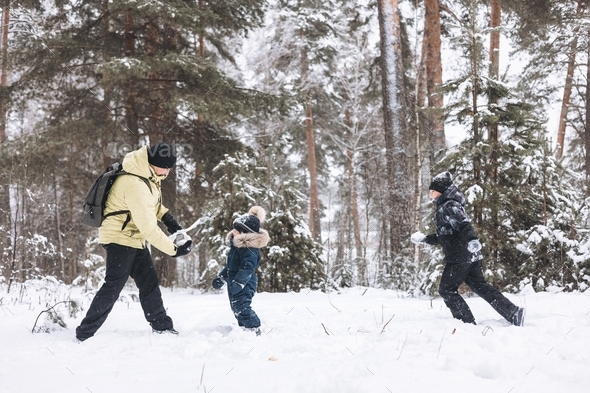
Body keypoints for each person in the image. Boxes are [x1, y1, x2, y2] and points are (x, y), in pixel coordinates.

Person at [76, 142, 193, 341]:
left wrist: (168, 219)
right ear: (154, 163)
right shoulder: (135, 184)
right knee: (113, 286)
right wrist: (173, 249)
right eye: (166, 167)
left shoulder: (147, 176)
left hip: (133, 238)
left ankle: (162, 326)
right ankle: (85, 333)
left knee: (149, 283)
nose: (168, 171)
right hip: (119, 239)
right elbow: (149, 229)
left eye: (170, 168)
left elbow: (152, 205)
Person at [411, 171, 525, 326]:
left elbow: (465, 225)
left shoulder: (448, 206)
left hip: (460, 256)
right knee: (481, 287)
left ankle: (465, 323)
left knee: (447, 290)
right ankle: (513, 312)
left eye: (433, 190)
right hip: (468, 254)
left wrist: (472, 240)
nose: (430, 194)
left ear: (442, 190)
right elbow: (446, 235)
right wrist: (425, 239)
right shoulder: (447, 205)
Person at [212, 206, 269, 335]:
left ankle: (254, 327)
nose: (233, 231)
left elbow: (247, 268)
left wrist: (239, 283)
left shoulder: (249, 249)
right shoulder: (237, 248)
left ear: (245, 232)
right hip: (234, 280)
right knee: (236, 306)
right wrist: (221, 278)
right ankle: (245, 328)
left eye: (237, 229)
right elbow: (230, 267)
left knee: (242, 306)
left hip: (245, 282)